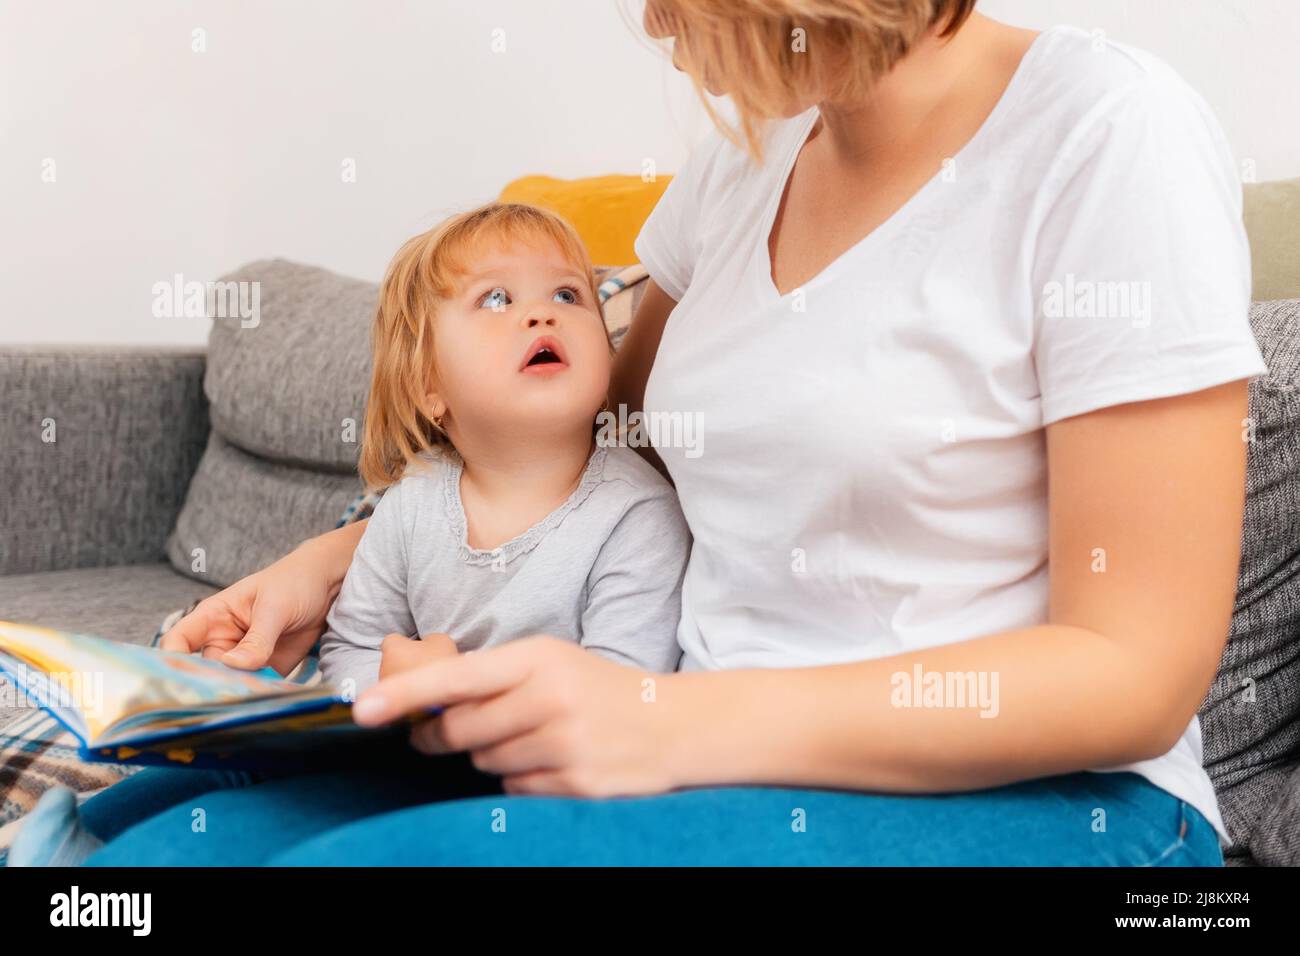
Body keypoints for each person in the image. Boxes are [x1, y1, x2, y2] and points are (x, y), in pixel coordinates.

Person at [62, 1, 1271, 865]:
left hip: (1068, 804)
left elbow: (1136, 674)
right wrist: (319, 569)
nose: (654, 26)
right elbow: (607, 441)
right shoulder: (744, 169)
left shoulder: (1108, 135)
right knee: (126, 831)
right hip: (706, 749)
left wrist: (660, 721)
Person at [8, 202, 689, 867]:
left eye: (569, 294)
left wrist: (454, 695)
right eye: (495, 300)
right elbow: (356, 643)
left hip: (532, 785)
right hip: (405, 747)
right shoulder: (411, 504)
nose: (541, 313)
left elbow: (624, 692)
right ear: (429, 386)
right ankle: (66, 840)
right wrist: (384, 696)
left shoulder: (637, 516)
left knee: (248, 825)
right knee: (188, 779)